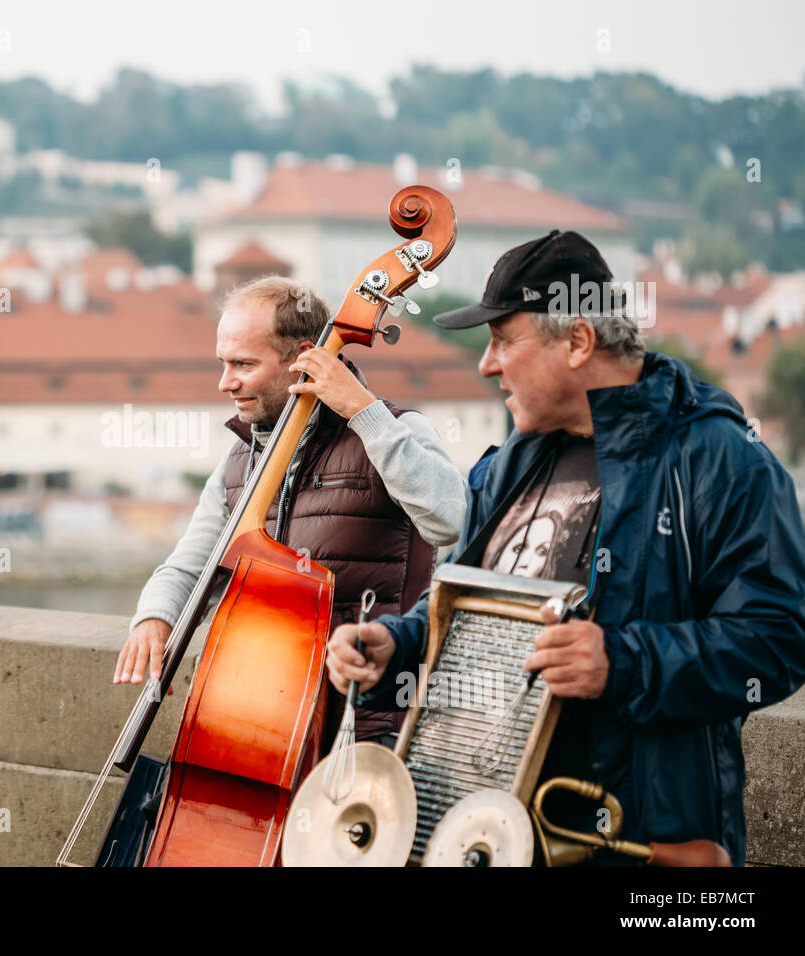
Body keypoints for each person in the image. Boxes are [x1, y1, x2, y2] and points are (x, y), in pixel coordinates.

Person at [326, 230, 805, 864]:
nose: (486, 364)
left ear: (578, 341)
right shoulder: (513, 460)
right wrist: (399, 646)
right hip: (486, 836)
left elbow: (779, 640)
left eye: (502, 341)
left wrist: (622, 662)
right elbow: (467, 607)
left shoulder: (719, 458)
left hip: (636, 846)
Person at [114, 274, 466, 747]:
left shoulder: (396, 430)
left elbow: (454, 520)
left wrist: (363, 412)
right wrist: (155, 618)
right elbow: (189, 568)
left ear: (302, 359)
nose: (225, 382)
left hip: (373, 726)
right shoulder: (239, 461)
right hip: (268, 721)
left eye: (242, 364)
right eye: (223, 363)